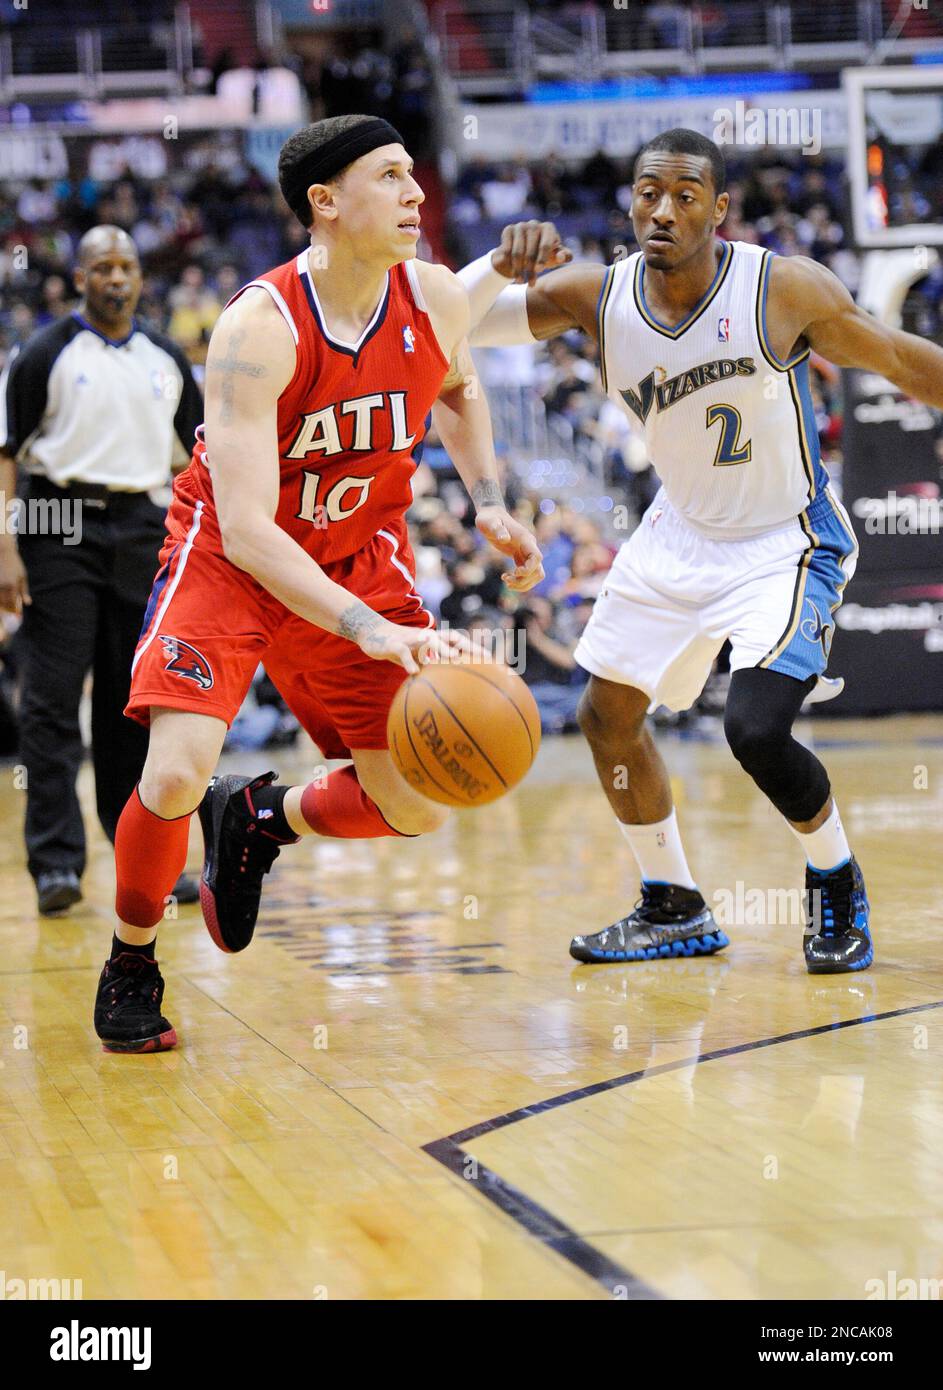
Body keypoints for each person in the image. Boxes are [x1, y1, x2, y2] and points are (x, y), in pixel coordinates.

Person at [95, 115, 561, 1054]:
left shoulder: (432, 297)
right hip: (233, 561)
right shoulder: (257, 328)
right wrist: (373, 632)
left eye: (411, 175)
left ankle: (263, 815)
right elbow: (252, 531)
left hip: (356, 552)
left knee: (419, 801)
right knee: (177, 770)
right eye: (389, 177)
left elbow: (459, 390)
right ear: (325, 201)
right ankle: (133, 958)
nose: (415, 193)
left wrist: (488, 501)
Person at [460, 128, 943, 973]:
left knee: (754, 730)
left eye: (686, 194)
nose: (662, 209)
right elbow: (447, 331)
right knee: (605, 716)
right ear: (629, 202)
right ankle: (672, 904)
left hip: (782, 539)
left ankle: (834, 879)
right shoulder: (593, 295)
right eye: (648, 191)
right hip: (678, 533)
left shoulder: (780, 287)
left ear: (719, 209)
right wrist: (493, 268)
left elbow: (900, 360)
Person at [0, 227, 202, 916]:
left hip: (143, 527)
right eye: (103, 267)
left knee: (135, 704)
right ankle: (56, 864)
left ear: (141, 278)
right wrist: (3, 544)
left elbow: (195, 457)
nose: (118, 278)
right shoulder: (45, 352)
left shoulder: (165, 356)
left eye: (128, 267)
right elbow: (7, 452)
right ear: (79, 277)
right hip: (56, 524)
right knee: (52, 700)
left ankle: (138, 858)